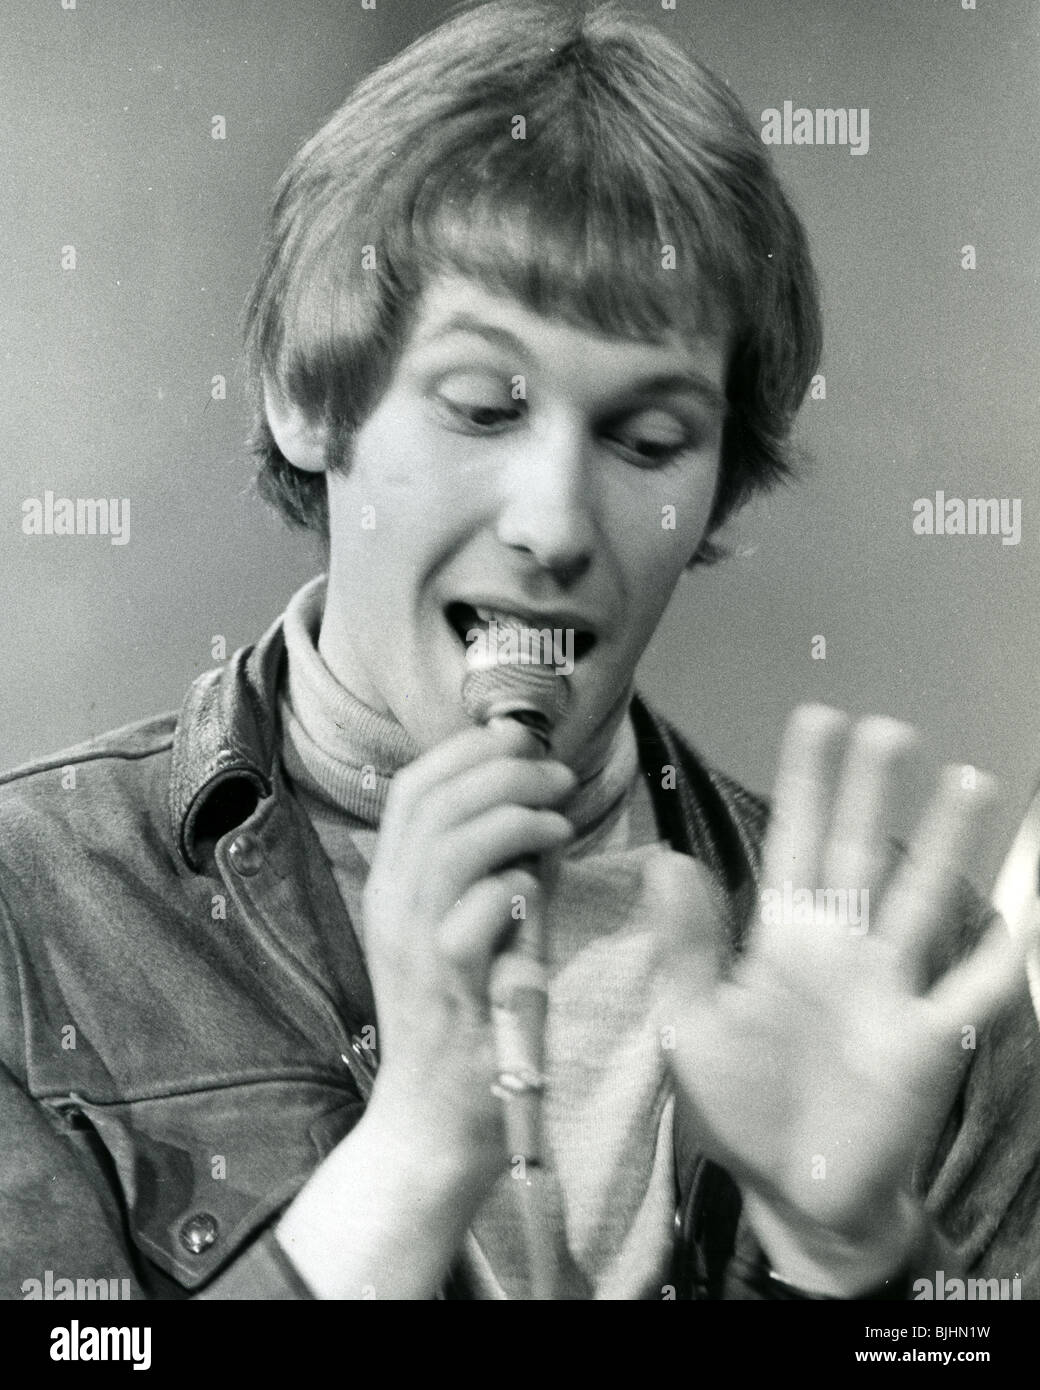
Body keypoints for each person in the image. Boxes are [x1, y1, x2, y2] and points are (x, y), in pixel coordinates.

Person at [1, 0, 1037, 1302]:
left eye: (649, 441)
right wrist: (417, 1153)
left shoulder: (909, 964)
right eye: (484, 406)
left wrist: (853, 1260)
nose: (553, 523)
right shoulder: (25, 907)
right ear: (312, 398)